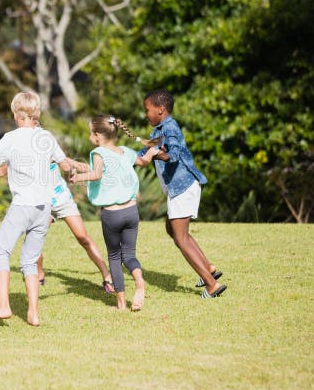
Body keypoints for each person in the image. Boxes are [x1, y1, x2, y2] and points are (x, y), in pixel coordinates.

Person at [0, 91, 72, 327]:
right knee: (29, 261)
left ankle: (2, 305)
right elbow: (64, 165)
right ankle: (33, 313)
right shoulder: (46, 137)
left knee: (0, 253)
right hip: (45, 208)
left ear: (18, 113)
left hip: (22, 206)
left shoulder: (12, 138)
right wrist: (71, 171)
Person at [0, 160, 115, 295]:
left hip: (62, 200)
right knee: (33, 241)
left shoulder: (47, 147)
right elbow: (1, 171)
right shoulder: (20, 154)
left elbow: (70, 163)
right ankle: (39, 273)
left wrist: (93, 170)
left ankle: (107, 275)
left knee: (83, 238)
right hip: (41, 203)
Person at [138, 89, 226, 299]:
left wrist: (158, 154)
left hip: (183, 187)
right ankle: (209, 268)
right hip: (180, 188)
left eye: (147, 110)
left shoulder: (170, 127)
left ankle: (212, 284)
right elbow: (144, 154)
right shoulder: (158, 130)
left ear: (160, 109)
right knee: (173, 229)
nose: (146, 114)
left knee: (181, 237)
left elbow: (174, 154)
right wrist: (119, 154)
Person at [69, 115, 160, 311]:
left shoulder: (98, 152)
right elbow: (143, 162)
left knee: (114, 257)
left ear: (97, 135)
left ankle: (121, 304)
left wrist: (77, 178)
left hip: (112, 214)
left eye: (90, 133)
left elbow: (97, 174)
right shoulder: (124, 151)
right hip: (131, 211)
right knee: (129, 255)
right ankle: (139, 282)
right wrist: (151, 152)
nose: (89, 136)